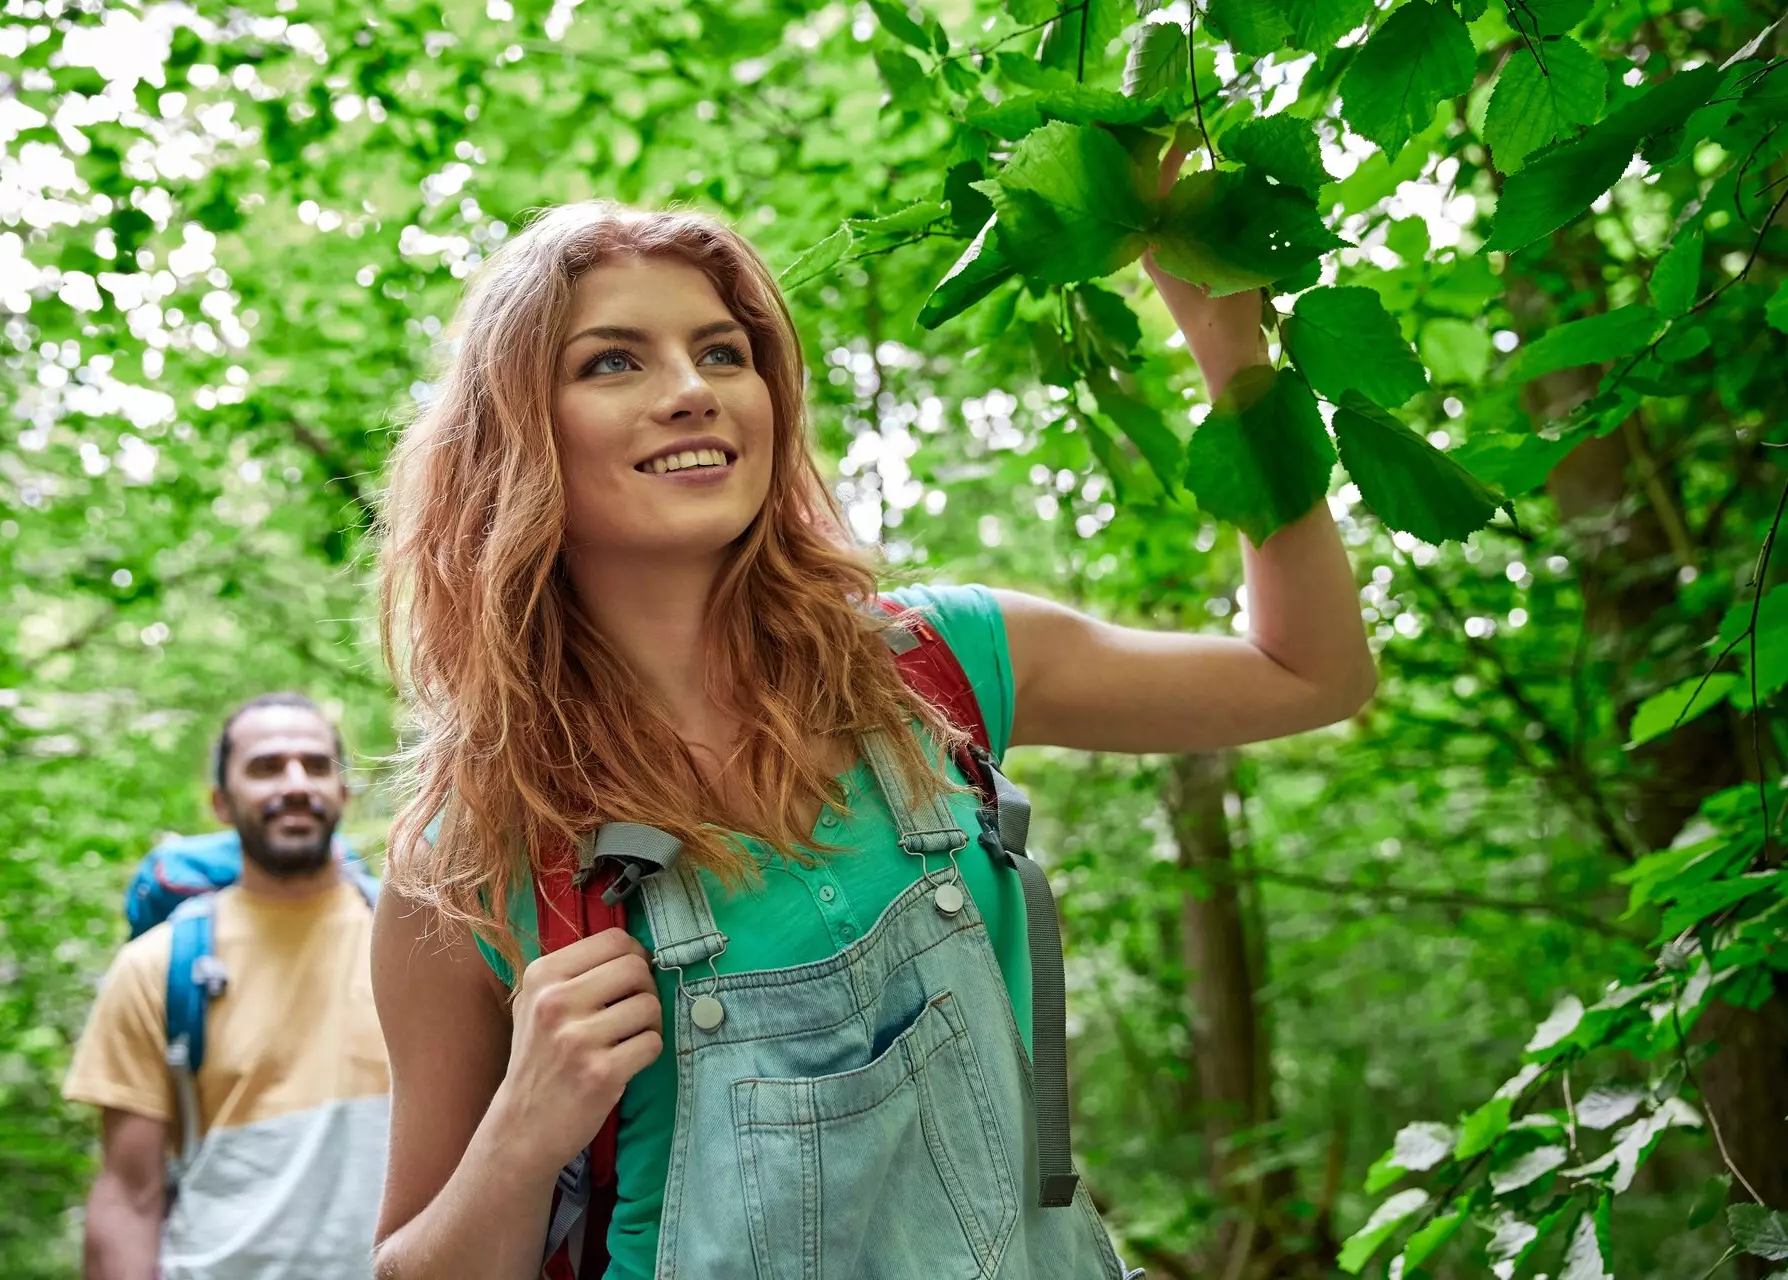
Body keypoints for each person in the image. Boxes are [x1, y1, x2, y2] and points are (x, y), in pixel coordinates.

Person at [369, 168, 1374, 1278]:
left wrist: (1235, 355)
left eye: (723, 352)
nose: (694, 389)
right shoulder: (470, 860)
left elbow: (1307, 671)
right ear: (514, 431)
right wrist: (521, 1133)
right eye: (613, 360)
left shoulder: (939, 666)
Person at [64, 692, 391, 1279]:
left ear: (343, 793)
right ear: (221, 801)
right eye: (265, 767)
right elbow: (128, 1196)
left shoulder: (416, 944)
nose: (295, 784)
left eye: (316, 765)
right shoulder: (157, 968)